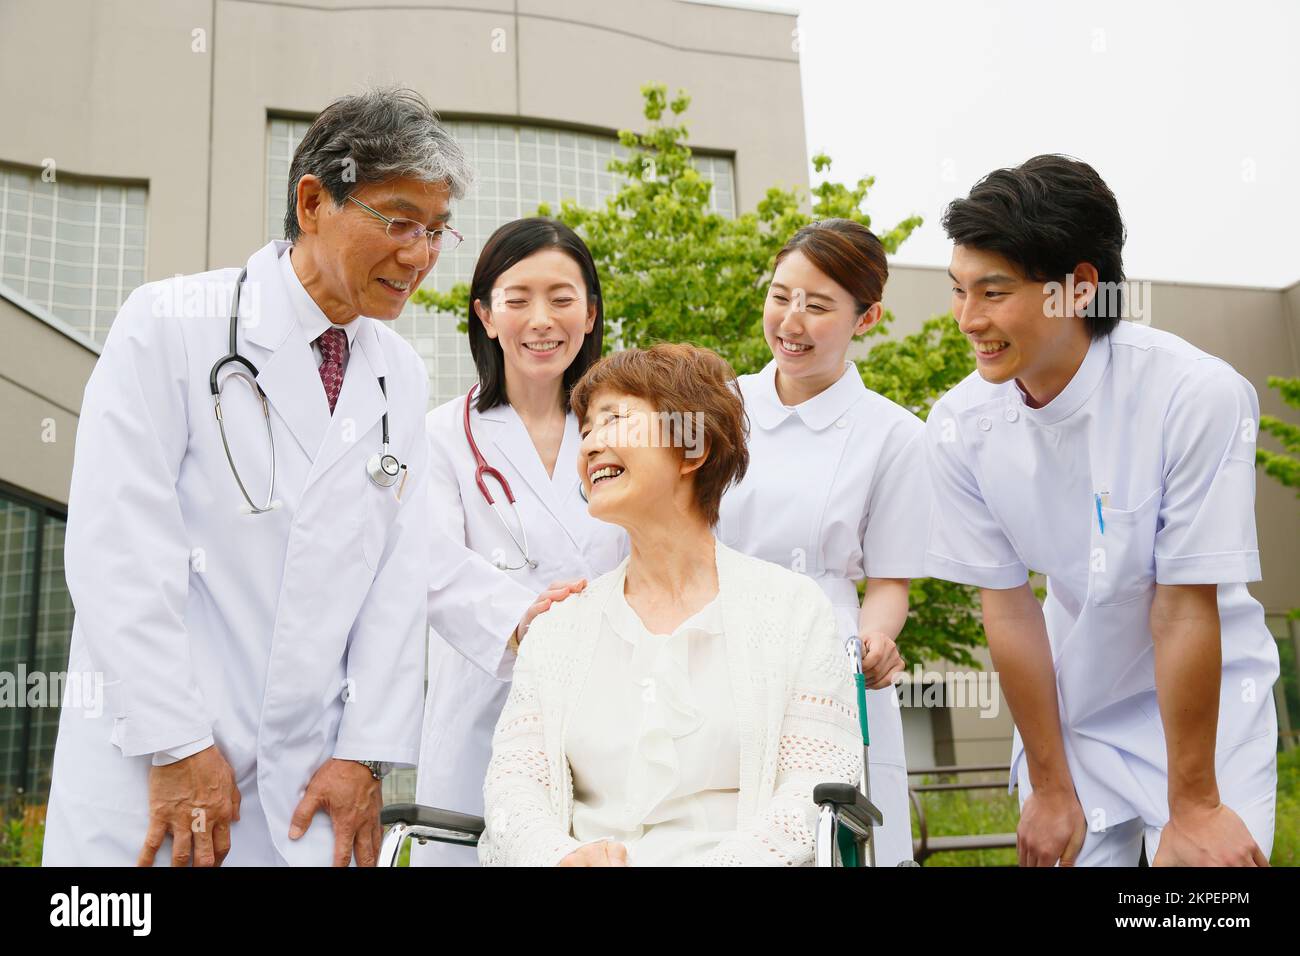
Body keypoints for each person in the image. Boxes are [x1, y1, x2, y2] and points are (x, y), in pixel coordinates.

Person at [43, 88, 557, 867]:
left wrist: (365, 753)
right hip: (153, 765)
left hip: (309, 791)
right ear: (313, 201)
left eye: (435, 230)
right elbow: (117, 550)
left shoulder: (398, 375)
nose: (419, 256)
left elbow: (395, 578)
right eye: (397, 222)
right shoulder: (171, 325)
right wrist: (178, 742)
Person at [924, 154, 1279, 866]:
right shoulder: (960, 424)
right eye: (959, 291)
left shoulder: (1195, 396)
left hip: (1208, 704)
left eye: (993, 292)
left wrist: (1197, 804)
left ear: (1077, 288)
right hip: (1071, 706)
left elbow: (1182, 606)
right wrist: (1051, 789)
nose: (969, 319)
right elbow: (1011, 608)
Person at [478, 344, 863, 866]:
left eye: (615, 421)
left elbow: (813, 788)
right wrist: (562, 857)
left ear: (692, 448)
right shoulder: (560, 628)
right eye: (586, 429)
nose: (590, 445)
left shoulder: (792, 610)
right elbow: (514, 789)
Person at [414, 218, 625, 865]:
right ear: (484, 313)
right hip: (483, 707)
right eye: (518, 298)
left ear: (590, 315)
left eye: (562, 298)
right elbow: (431, 564)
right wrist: (521, 621)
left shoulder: (625, 427)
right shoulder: (442, 435)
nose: (541, 319)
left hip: (611, 703)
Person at [717, 218, 927, 865]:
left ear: (867, 319)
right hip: (718, 647)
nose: (791, 321)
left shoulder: (893, 434)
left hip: (831, 667)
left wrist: (877, 640)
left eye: (818, 305)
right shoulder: (720, 408)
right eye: (781, 296)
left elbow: (890, 580)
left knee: (832, 839)